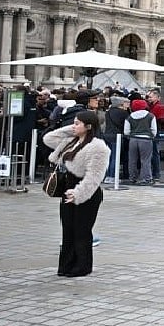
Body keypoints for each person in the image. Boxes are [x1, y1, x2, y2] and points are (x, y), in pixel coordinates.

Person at [44, 111, 110, 277]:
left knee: (82, 230)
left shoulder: (98, 146)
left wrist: (79, 193)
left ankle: (82, 266)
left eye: (77, 123)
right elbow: (48, 138)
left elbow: (94, 176)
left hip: (86, 192)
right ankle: (66, 265)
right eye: (73, 123)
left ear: (88, 126)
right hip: (67, 189)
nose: (74, 126)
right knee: (68, 229)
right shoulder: (70, 140)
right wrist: (72, 129)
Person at [124, 99, 157, 185]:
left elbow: (126, 131)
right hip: (146, 139)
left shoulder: (130, 116)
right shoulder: (150, 116)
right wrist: (151, 136)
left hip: (133, 139)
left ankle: (132, 177)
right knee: (145, 160)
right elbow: (154, 130)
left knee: (132, 160)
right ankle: (145, 178)